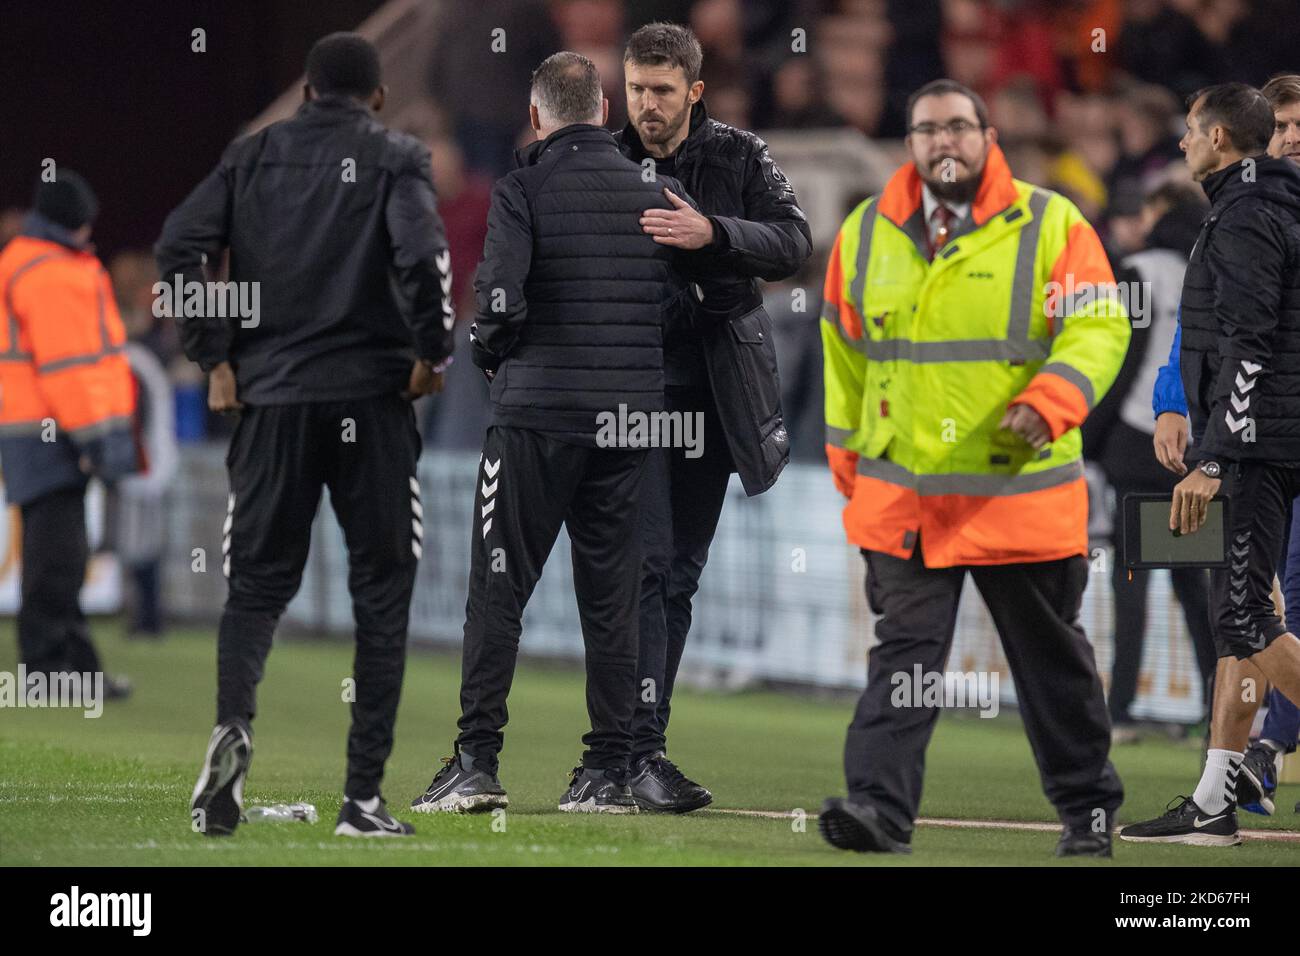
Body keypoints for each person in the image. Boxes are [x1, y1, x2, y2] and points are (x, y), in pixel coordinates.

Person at [818, 79, 1130, 857]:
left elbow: (1098, 326)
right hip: (907, 504)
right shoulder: (864, 232)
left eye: (959, 126)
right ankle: (879, 810)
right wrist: (851, 469)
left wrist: (1051, 401)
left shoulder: (1051, 222)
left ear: (989, 136)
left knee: (1052, 670)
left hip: (1015, 498)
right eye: (927, 129)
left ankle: (1088, 812)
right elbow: (844, 364)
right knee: (904, 662)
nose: (943, 141)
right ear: (909, 143)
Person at [158, 33, 454, 838]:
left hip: (273, 403)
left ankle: (232, 734)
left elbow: (177, 248)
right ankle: (361, 800)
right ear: (379, 96)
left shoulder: (250, 158)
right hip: (371, 402)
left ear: (305, 91)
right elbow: (426, 258)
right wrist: (434, 352)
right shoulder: (396, 156)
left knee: (254, 590)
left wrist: (213, 353)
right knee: (381, 596)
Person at [409, 52, 706, 815]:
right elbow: (682, 306)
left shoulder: (522, 188)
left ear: (537, 116)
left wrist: (489, 356)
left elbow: (499, 302)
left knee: (498, 590)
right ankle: (605, 772)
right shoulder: (660, 192)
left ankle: (476, 762)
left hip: (537, 419)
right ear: (604, 110)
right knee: (612, 601)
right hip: (629, 423)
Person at [613, 21, 812, 812]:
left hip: (709, 397)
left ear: (695, 90)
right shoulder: (602, 156)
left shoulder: (738, 156)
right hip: (626, 395)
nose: (647, 104)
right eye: (636, 89)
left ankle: (635, 751)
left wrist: (714, 233)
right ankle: (629, 753)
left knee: (675, 576)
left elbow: (794, 240)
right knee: (648, 569)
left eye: (662, 90)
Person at [1120, 83, 1300, 846]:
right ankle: (1213, 800)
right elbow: (1216, 336)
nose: (1183, 143)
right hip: (1263, 437)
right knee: (1239, 622)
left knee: (1246, 614)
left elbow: (1248, 343)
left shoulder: (1247, 212)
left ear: (1221, 136)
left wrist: (1215, 459)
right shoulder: (1252, 204)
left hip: (1259, 444)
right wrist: (1175, 401)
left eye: (1191, 132)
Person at [1080, 179, 1215, 742]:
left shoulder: (1139, 271)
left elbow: (1121, 363)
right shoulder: (1207, 270)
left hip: (1138, 442)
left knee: (1131, 581)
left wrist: (1091, 440)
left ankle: (1123, 710)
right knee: (1193, 583)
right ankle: (1220, 705)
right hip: (1194, 447)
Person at [0, 171, 138, 699]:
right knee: (58, 557)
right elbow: (72, 370)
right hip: (53, 430)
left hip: (34, 428)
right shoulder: (53, 273)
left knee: (57, 554)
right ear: (74, 222)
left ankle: (70, 667)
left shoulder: (28, 261)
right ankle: (48, 670)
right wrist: (96, 441)